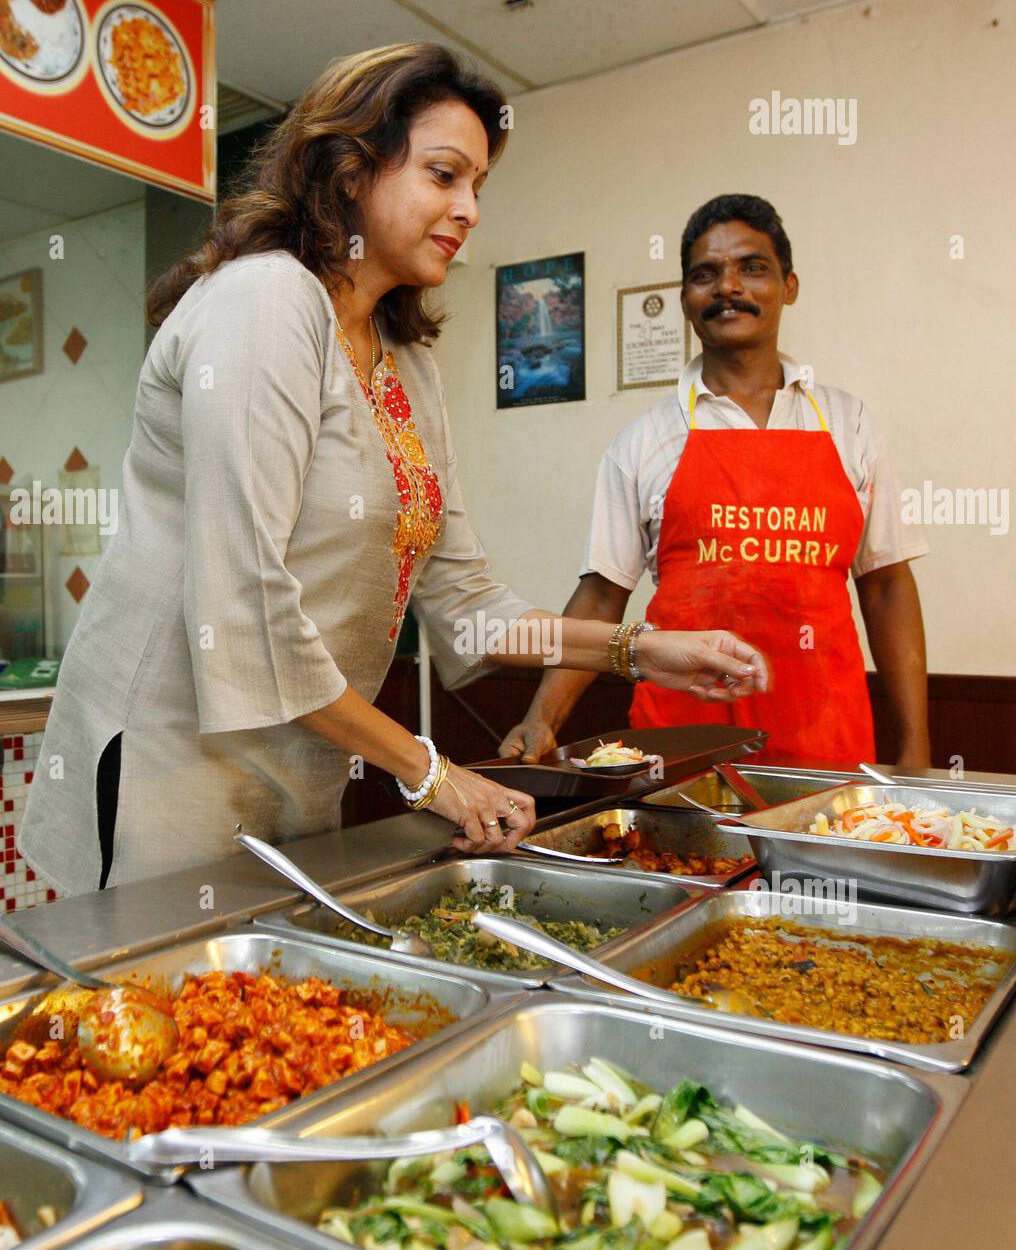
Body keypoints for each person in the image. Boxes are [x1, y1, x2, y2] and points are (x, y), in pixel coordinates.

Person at [19, 49, 767, 899]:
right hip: (172, 763)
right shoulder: (264, 303)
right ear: (349, 171)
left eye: (478, 184)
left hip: (301, 768)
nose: (469, 209)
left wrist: (638, 648)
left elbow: (469, 607)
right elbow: (248, 612)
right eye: (444, 174)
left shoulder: (405, 361)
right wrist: (431, 773)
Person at [501, 194, 930, 771]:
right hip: (679, 750)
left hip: (826, 748)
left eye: (752, 267)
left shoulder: (848, 423)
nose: (728, 287)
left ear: (790, 285)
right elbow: (603, 595)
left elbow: (885, 584)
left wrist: (915, 746)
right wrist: (541, 718)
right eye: (706, 274)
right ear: (684, 300)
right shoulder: (644, 440)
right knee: (680, 863)